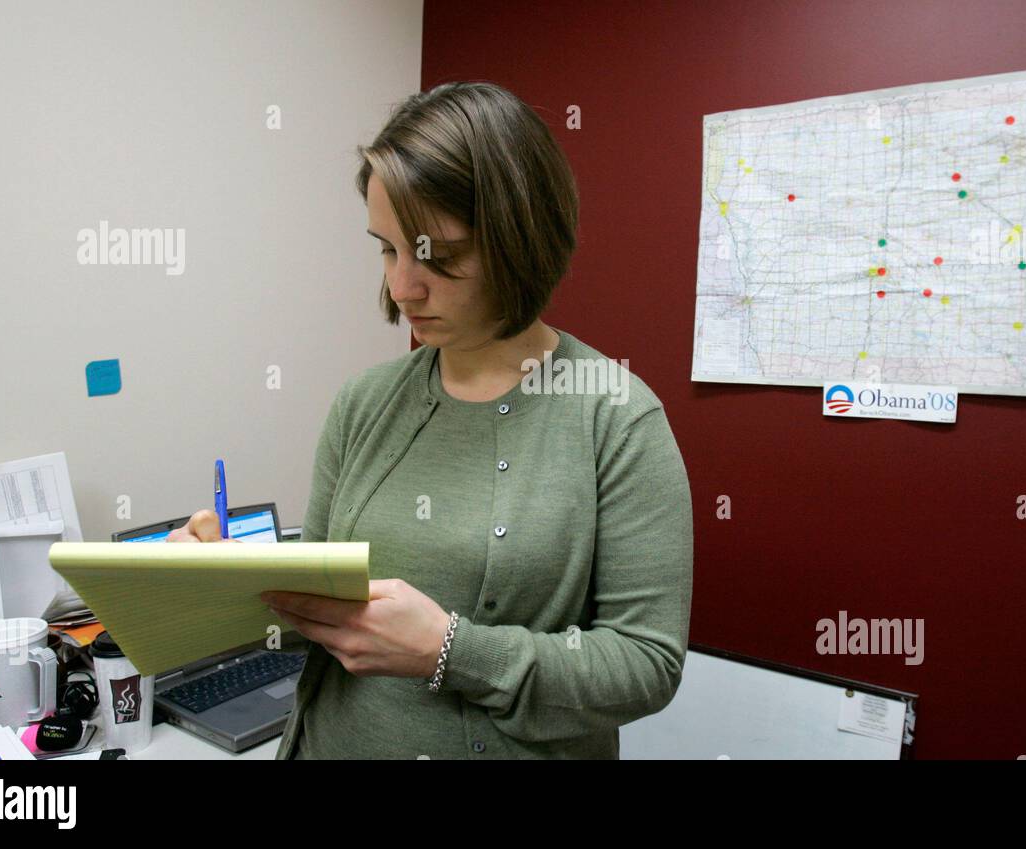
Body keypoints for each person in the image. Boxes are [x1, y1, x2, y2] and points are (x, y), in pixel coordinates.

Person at [169, 81, 693, 758]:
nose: (400, 286)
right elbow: (321, 609)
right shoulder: (363, 403)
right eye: (385, 249)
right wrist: (222, 583)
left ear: (520, 239)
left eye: (437, 255)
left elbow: (646, 665)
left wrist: (452, 650)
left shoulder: (617, 419)